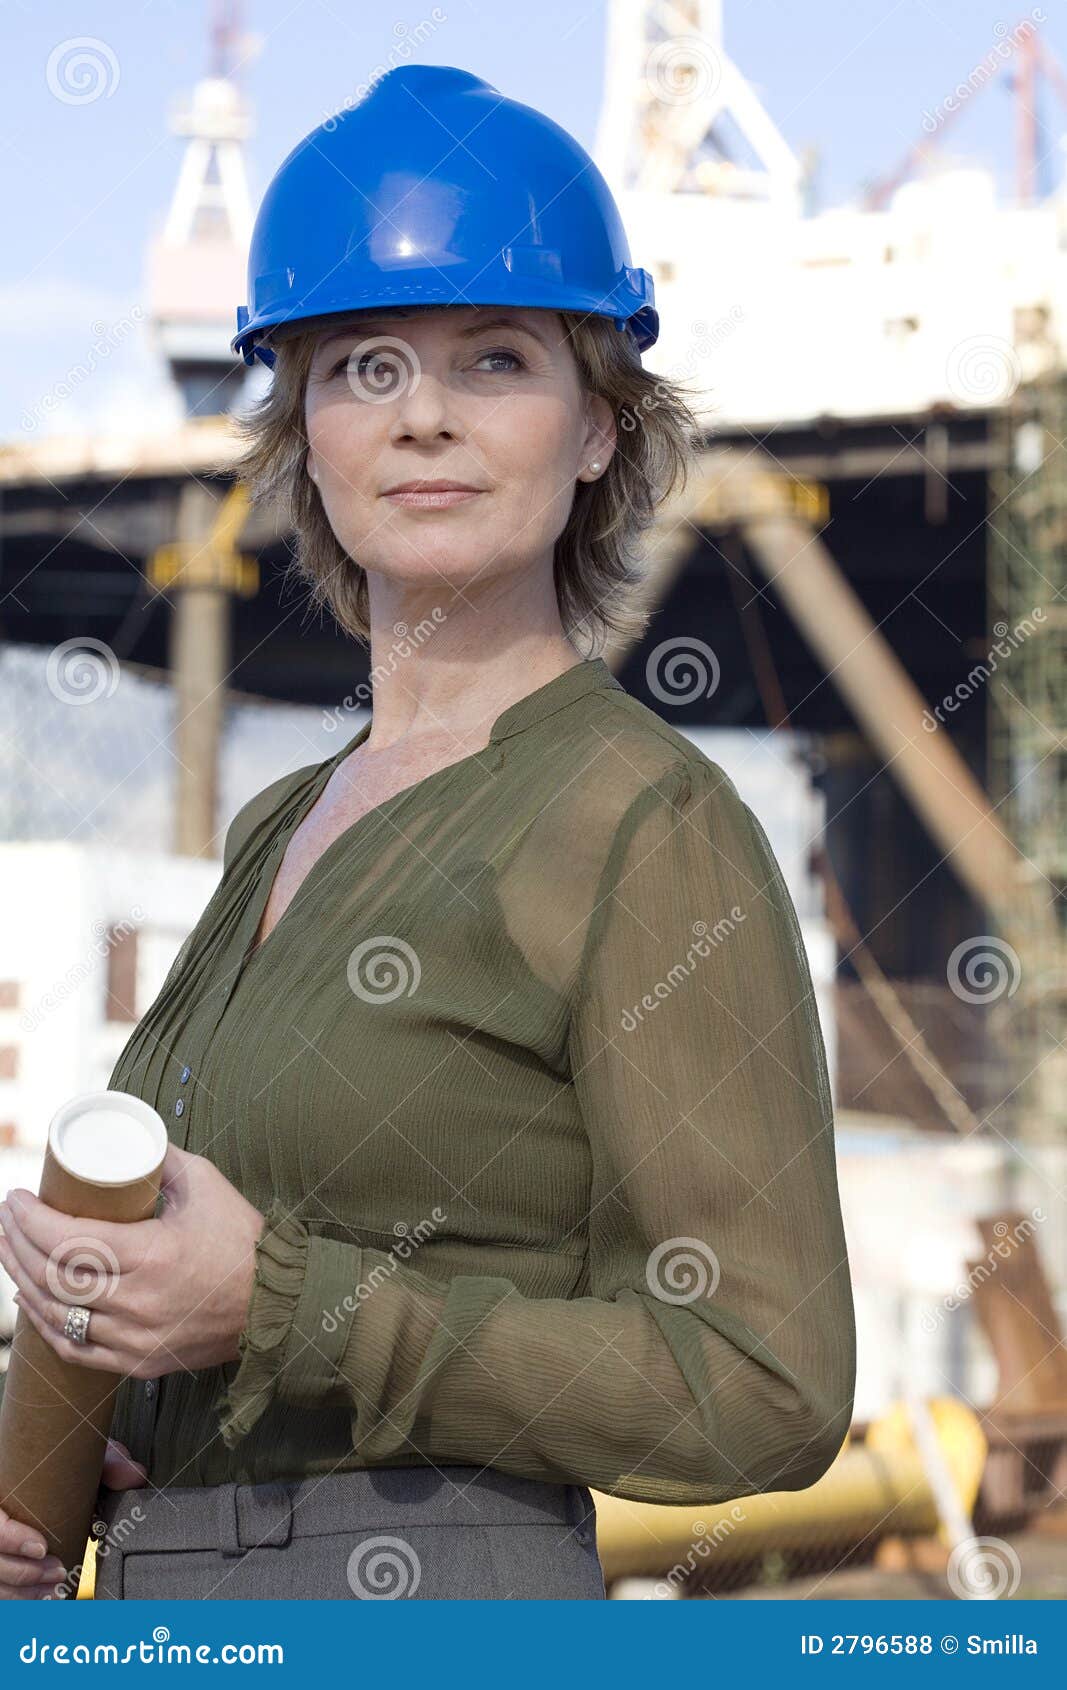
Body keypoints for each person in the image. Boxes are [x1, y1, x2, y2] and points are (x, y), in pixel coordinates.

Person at [0, 63, 855, 1602]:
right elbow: (215, 1293)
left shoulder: (638, 819)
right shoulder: (282, 823)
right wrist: (85, 1419)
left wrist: (284, 1307)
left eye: (498, 359)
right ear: (307, 432)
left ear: (598, 429)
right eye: (367, 368)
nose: (427, 420)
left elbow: (770, 1377)